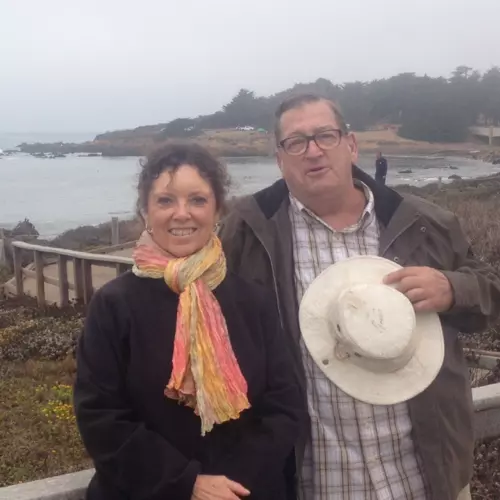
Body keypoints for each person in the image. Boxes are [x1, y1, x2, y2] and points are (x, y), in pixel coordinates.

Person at [218, 94, 500, 500]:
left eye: (325, 136)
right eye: (295, 142)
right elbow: (204, 323)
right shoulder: (246, 233)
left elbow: (490, 293)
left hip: (427, 476)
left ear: (351, 144)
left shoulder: (424, 222)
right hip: (318, 481)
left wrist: (454, 288)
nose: (313, 151)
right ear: (280, 160)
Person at [73, 143, 304, 500]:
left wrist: (229, 483)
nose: (182, 214)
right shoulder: (114, 304)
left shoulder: (252, 300)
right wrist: (188, 483)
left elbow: (283, 407)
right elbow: (100, 417)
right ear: (145, 210)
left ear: (217, 209)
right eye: (166, 201)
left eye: (197, 200)